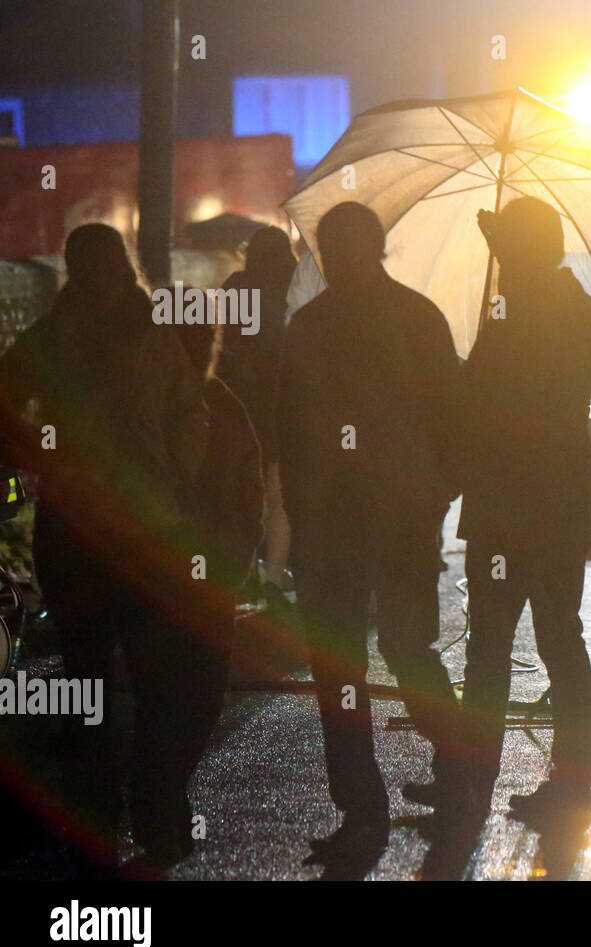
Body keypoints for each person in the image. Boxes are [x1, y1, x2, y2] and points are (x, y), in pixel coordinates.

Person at [0, 223, 209, 874]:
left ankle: (92, 831)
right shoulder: (155, 334)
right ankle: (160, 826)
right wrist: (177, 484)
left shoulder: (50, 340)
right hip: (150, 532)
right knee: (159, 689)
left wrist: (39, 461)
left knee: (85, 688)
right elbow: (191, 418)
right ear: (123, 267)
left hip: (76, 532)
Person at [274, 202, 461, 863]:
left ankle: (363, 813)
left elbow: (288, 435)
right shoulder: (419, 319)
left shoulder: (309, 328)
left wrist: (300, 514)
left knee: (341, 671)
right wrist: (432, 500)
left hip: (333, 529)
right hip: (398, 522)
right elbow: (453, 426)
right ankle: (457, 775)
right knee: (412, 654)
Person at [450, 196, 591, 829]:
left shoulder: (528, 308)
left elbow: (491, 391)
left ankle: (474, 784)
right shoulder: (566, 306)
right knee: (554, 640)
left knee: (501, 646)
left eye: (508, 246)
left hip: (516, 505)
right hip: (552, 504)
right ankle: (565, 783)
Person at [172, 319, 263, 866]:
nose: (204, 351)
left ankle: (163, 799)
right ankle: (163, 803)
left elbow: (247, 493)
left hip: (201, 568)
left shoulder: (222, 406)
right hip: (177, 568)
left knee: (195, 692)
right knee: (184, 692)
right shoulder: (201, 405)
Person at [217, 226, 297, 605]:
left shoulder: (235, 286)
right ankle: (275, 575)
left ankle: (245, 570)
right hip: (279, 402)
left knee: (240, 490)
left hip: (238, 400)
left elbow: (223, 340)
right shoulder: (291, 289)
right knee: (278, 491)